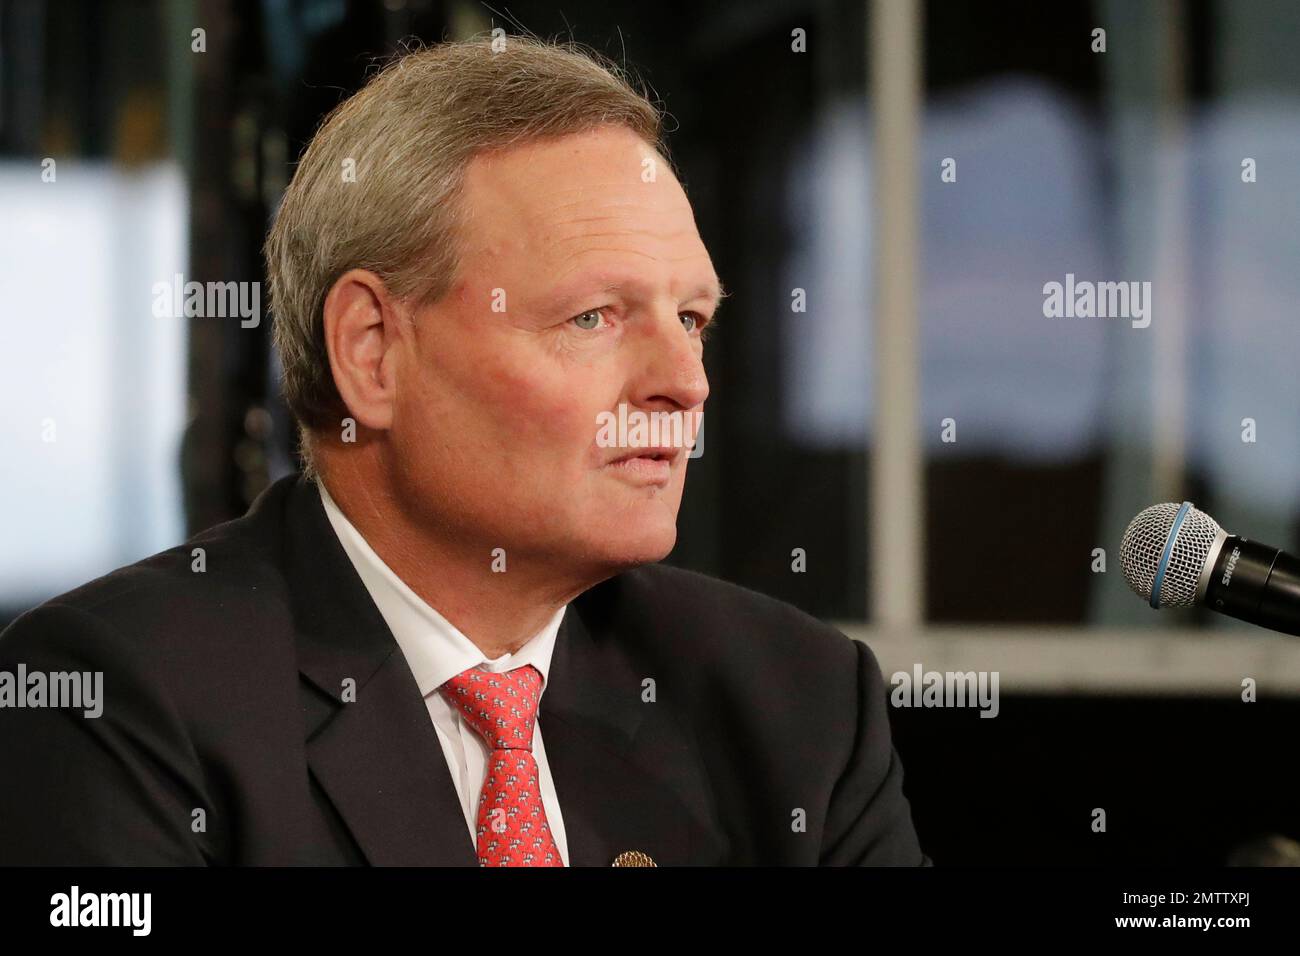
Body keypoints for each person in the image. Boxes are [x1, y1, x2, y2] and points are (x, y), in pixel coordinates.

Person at [0, 35, 927, 866]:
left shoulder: (795, 705)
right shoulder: (118, 699)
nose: (685, 384)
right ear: (373, 351)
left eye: (691, 318)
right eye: (594, 316)